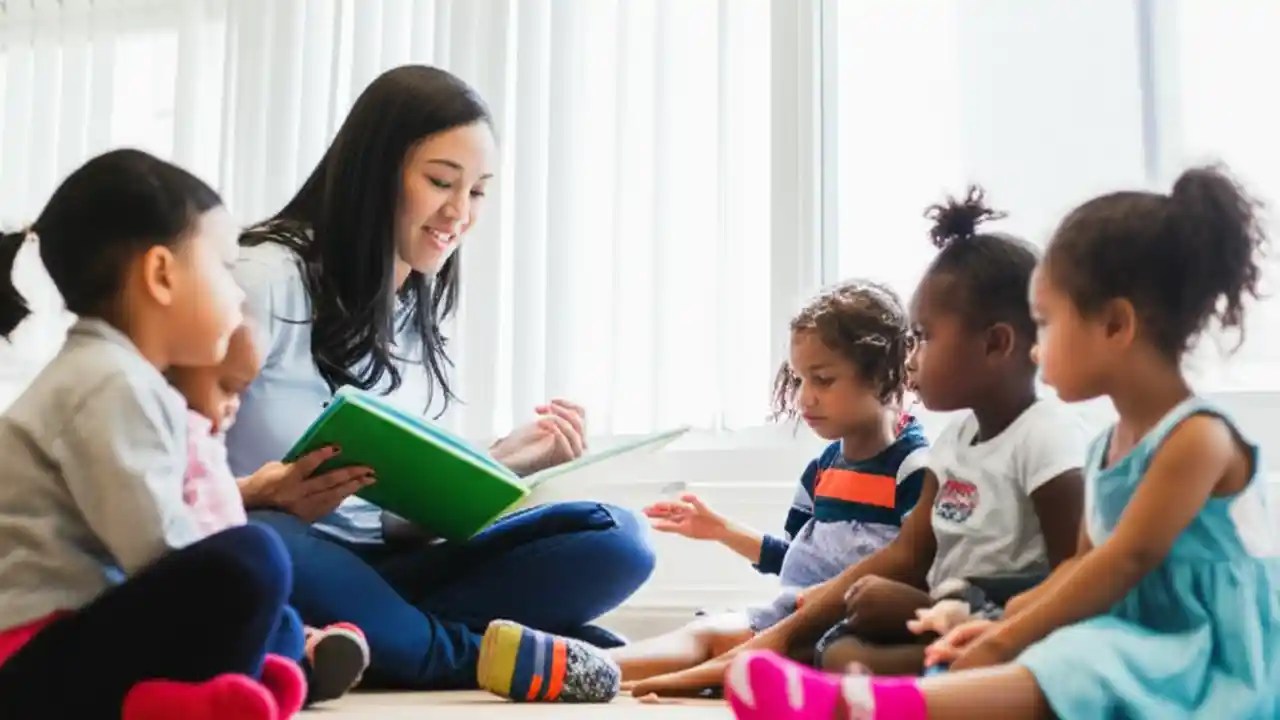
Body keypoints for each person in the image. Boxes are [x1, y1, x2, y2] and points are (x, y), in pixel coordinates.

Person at [724, 165, 1280, 719]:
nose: (1034, 347)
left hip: (1209, 655)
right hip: (1134, 637)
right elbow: (1077, 570)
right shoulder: (1106, 446)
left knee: (1076, 658)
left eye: (1046, 323)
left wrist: (1000, 639)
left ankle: (865, 707)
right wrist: (993, 623)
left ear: (1115, 325)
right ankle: (875, 700)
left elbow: (1121, 563)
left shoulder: (1196, 438)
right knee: (1057, 651)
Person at [223, 64, 655, 692]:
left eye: (477, 191)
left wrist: (501, 463)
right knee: (262, 541)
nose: (459, 213)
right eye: (439, 182)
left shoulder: (413, 304)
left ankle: (375, 643)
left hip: (386, 572)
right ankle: (465, 654)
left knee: (618, 539)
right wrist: (259, 492)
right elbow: (160, 480)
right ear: (375, 174)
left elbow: (392, 520)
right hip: (283, 548)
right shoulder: (261, 281)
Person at [627, 188, 1089, 696]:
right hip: (950, 613)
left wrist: (998, 632)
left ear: (996, 343)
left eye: (925, 339)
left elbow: (1077, 576)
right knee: (853, 626)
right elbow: (906, 555)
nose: (910, 361)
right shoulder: (954, 443)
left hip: (1018, 620)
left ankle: (895, 690)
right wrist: (774, 638)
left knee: (860, 621)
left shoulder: (1045, 437)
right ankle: (886, 685)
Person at [478, 281, 930, 700]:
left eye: (823, 380)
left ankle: (603, 669)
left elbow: (916, 565)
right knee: (710, 630)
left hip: (852, 624)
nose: (803, 398)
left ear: (883, 373)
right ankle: (574, 667)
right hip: (789, 615)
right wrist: (720, 530)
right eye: (798, 380)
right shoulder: (822, 470)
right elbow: (791, 559)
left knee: (720, 640)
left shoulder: (912, 468)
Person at [0, 149, 306, 720]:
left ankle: (165, 700)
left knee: (279, 615)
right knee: (255, 560)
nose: (239, 297)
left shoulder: (123, 376)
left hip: (78, 640)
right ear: (162, 274)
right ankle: (150, 703)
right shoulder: (105, 382)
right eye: (225, 268)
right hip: (30, 664)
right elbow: (156, 549)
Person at [168, 322, 370, 704]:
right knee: (266, 569)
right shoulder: (177, 442)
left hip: (227, 591)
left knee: (279, 620)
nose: (233, 405)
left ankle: (303, 660)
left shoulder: (206, 447)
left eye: (241, 393)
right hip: (193, 590)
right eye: (224, 388)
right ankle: (301, 657)